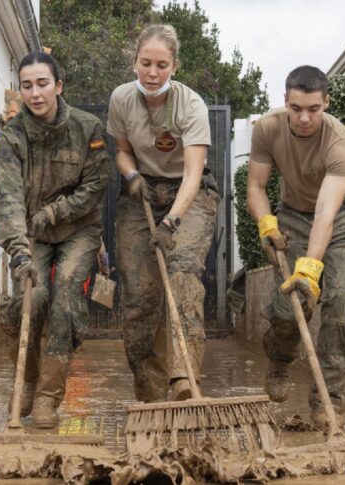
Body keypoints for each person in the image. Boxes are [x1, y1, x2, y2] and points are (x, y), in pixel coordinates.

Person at [246, 65, 345, 429]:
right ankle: (281, 361)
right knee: (288, 308)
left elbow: (326, 214)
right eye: (296, 108)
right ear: (285, 100)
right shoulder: (267, 129)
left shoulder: (340, 143)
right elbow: (255, 187)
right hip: (293, 215)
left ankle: (328, 402)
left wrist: (310, 269)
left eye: (313, 109)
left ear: (326, 103)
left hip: (340, 218)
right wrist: (267, 224)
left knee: (341, 299)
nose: (303, 118)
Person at [0, 52, 110, 428]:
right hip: (32, 234)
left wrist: (54, 211)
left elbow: (95, 187)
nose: (35, 93)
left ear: (58, 86)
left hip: (79, 229)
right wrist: (18, 253)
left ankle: (48, 394)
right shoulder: (11, 137)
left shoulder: (87, 127)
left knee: (65, 299)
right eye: (27, 86)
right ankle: (26, 381)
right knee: (32, 295)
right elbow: (8, 199)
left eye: (42, 84)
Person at [107, 24, 218, 403]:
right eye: (145, 63)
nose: (152, 74)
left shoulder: (191, 105)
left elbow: (193, 173)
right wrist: (132, 175)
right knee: (139, 294)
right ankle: (151, 393)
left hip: (190, 194)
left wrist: (171, 221)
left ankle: (184, 380)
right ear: (135, 61)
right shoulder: (121, 99)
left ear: (174, 66)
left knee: (183, 273)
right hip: (141, 192)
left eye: (161, 65)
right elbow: (122, 150)